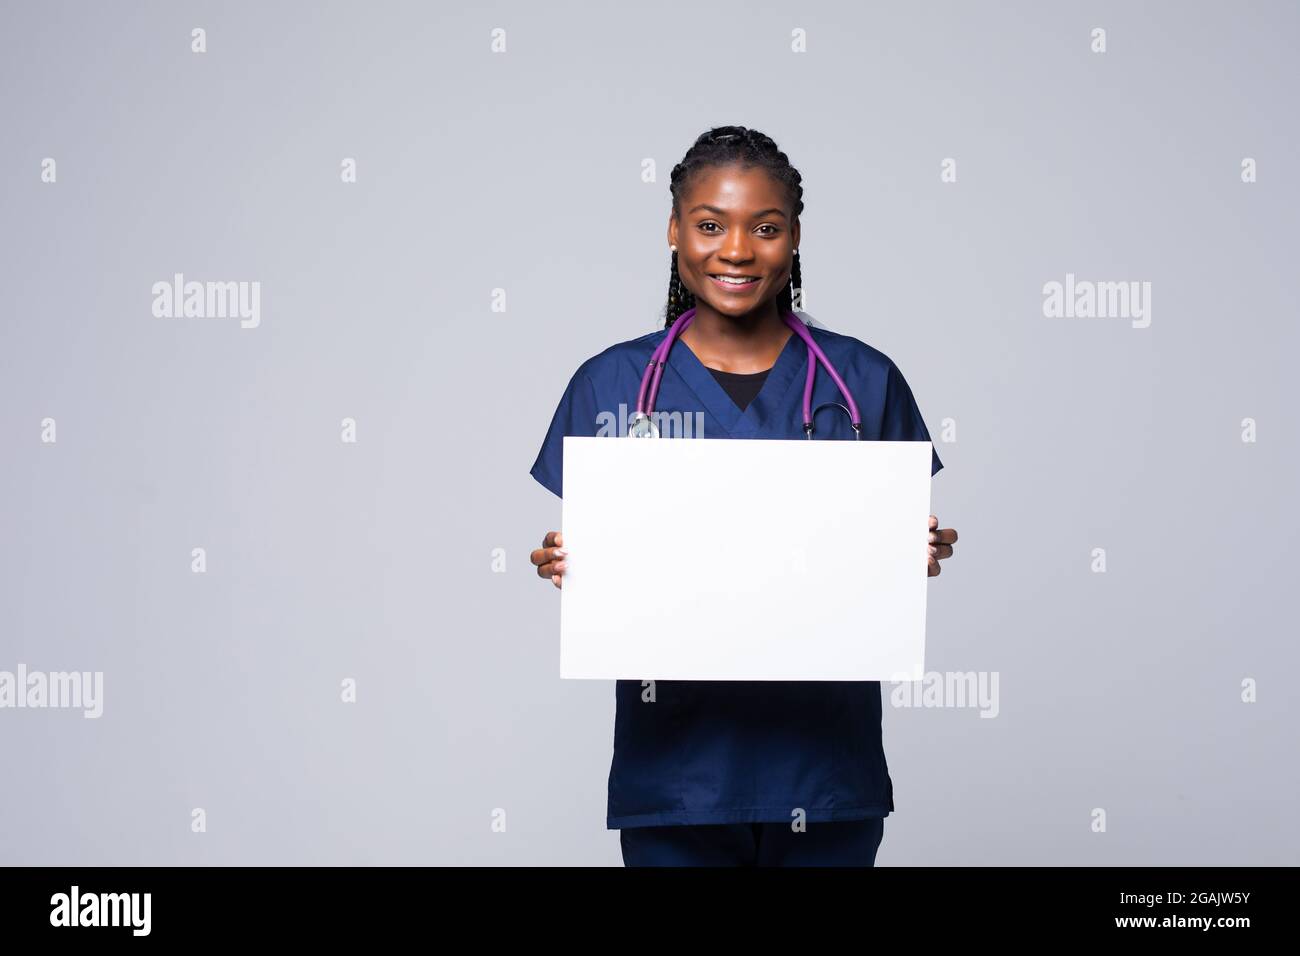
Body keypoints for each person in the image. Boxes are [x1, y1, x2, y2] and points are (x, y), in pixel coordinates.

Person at [528, 127, 958, 867]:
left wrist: (909, 552)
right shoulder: (611, 384)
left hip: (823, 771)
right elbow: (600, 557)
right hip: (677, 774)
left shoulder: (865, 381)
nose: (735, 249)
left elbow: (884, 552)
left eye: (765, 227)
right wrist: (569, 563)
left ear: (794, 238)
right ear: (673, 231)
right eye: (708, 224)